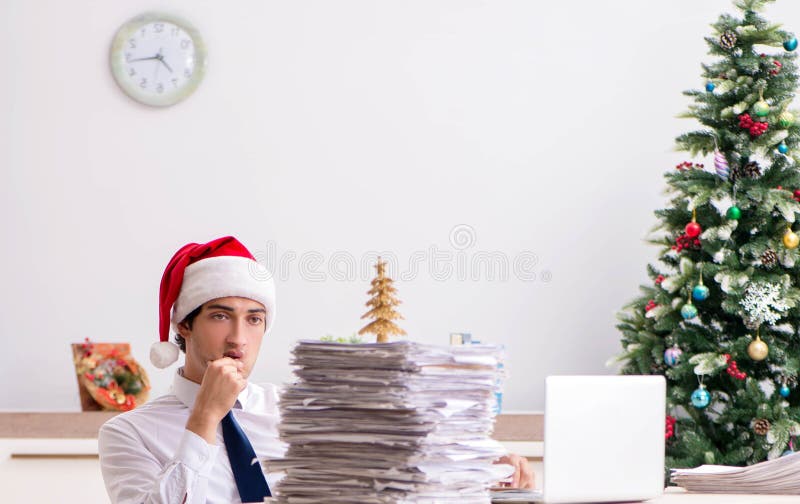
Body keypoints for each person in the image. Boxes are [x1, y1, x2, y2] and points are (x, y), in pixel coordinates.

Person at [99, 236, 533, 504]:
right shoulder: (127, 433)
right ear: (183, 325)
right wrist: (204, 419)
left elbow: (385, 472)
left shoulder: (297, 409)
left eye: (254, 319)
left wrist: (485, 472)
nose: (238, 338)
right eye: (219, 316)